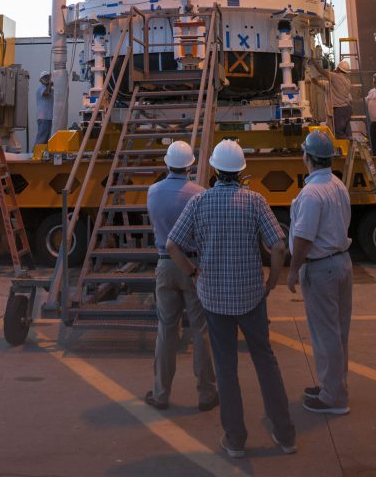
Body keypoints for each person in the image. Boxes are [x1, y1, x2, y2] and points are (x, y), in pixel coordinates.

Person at [167, 139, 296, 459]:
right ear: (241, 171)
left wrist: (194, 273)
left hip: (214, 300)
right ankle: (285, 435)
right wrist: (273, 281)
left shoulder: (199, 203)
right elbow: (279, 246)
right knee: (266, 363)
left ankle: (235, 439)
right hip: (251, 297)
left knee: (226, 369)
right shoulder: (255, 201)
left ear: (213, 169)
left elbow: (172, 245)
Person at [143, 141, 218, 412]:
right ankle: (207, 393)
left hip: (165, 264)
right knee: (200, 330)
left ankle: (161, 393)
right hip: (193, 266)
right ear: (191, 164)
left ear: (167, 163)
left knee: (166, 330)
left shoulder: (153, 192)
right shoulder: (200, 194)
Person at [287, 130, 353, 416]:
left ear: (308, 157)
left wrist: (292, 271)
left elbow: (303, 238)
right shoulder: (338, 185)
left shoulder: (311, 194)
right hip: (341, 264)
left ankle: (333, 397)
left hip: (321, 268)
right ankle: (334, 385)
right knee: (338, 332)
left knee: (325, 333)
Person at [308, 57, 353, 139]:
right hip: (347, 109)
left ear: (339, 68)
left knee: (339, 133)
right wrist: (311, 74)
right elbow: (316, 82)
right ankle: (350, 149)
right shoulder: (347, 80)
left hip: (339, 110)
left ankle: (342, 150)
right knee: (347, 132)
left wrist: (314, 63)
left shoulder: (336, 77)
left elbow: (322, 71)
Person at [34, 71, 53, 146]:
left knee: (46, 139)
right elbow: (46, 93)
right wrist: (49, 84)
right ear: (41, 79)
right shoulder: (41, 88)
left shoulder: (50, 89)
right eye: (45, 77)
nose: (47, 78)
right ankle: (35, 154)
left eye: (48, 77)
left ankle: (41, 155)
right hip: (43, 117)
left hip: (48, 117)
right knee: (41, 138)